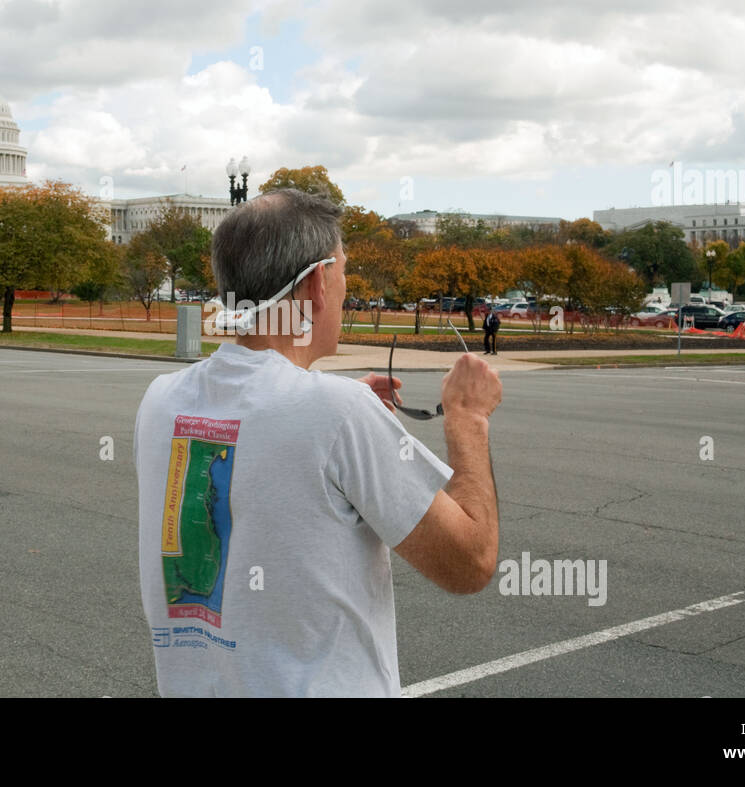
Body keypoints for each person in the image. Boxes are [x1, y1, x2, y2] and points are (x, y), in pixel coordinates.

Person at [134, 188, 502, 697]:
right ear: (315, 285)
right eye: (343, 272)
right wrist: (468, 419)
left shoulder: (161, 401)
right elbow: (469, 563)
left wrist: (337, 413)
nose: (347, 289)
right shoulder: (338, 414)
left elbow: (258, 431)